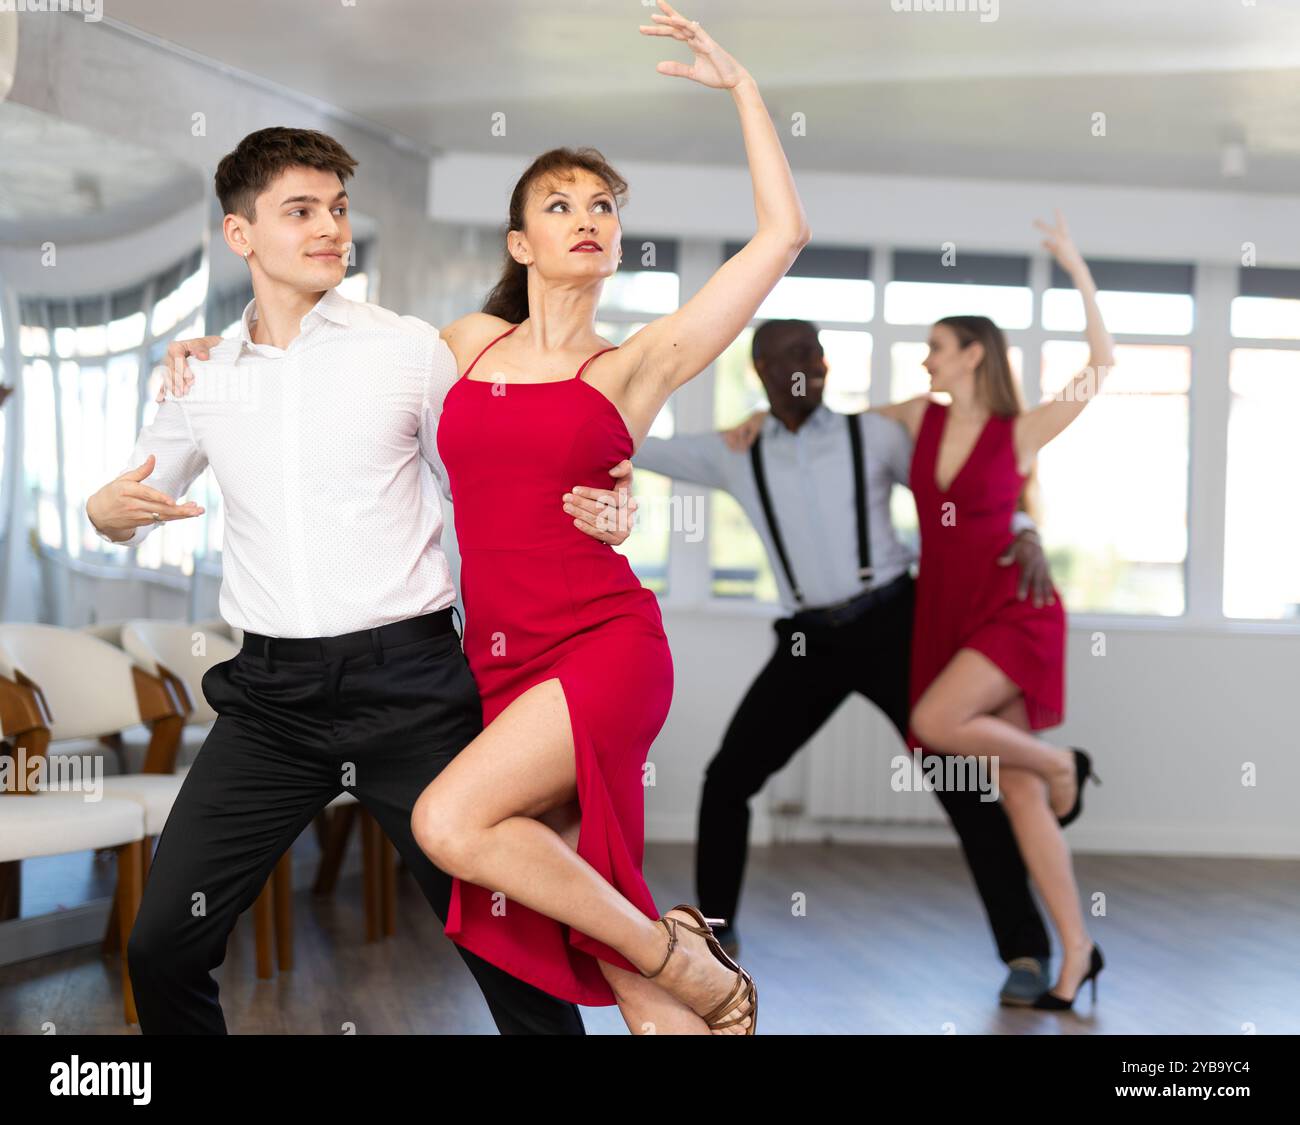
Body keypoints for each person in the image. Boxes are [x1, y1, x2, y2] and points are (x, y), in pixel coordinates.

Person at [91, 125, 637, 1035]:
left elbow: (512, 461)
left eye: (338, 210)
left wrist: (614, 503)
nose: (331, 230)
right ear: (241, 236)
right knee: (161, 945)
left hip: (413, 688)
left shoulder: (411, 350)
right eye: (301, 211)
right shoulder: (202, 376)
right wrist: (104, 511)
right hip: (269, 699)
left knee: (511, 954)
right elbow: (131, 497)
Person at [406, 2, 808, 1035]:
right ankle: (665, 962)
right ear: (519, 241)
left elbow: (782, 237)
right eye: (559, 203)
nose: (587, 215)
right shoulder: (466, 345)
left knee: (448, 821)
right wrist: (216, 351)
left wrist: (745, 91)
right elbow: (341, 368)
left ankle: (685, 959)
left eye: (602, 204)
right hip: (499, 658)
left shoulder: (630, 367)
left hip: (601, 645)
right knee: (587, 918)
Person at [630, 316, 1060, 1005]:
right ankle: (715, 937)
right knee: (729, 777)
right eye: (795, 354)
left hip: (895, 623)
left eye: (820, 352)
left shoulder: (876, 435)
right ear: (763, 368)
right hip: (809, 641)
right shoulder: (734, 452)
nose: (814, 365)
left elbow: (974, 485)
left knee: (959, 781)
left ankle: (1027, 952)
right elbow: (636, 448)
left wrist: (1024, 528)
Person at [880, 210, 1111, 1010]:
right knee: (1015, 793)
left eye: (937, 346)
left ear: (974, 352)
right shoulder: (917, 414)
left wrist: (1073, 261)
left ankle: (1061, 764)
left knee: (936, 721)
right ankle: (1077, 950)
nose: (926, 357)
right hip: (949, 611)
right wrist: (749, 426)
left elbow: (1101, 363)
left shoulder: (1019, 432)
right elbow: (831, 435)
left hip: (1013, 611)